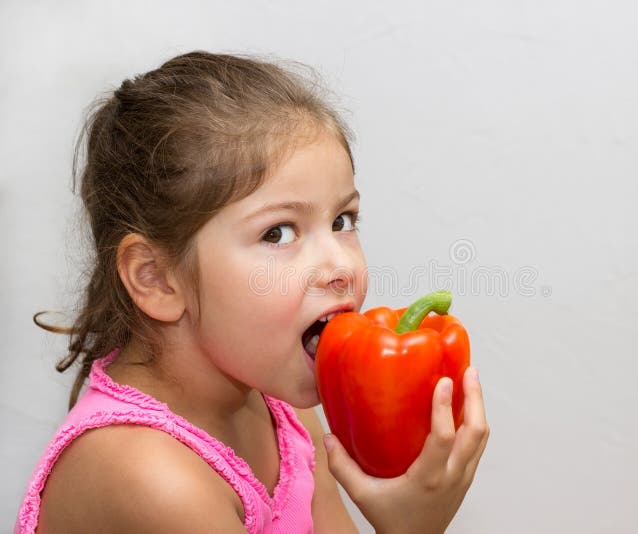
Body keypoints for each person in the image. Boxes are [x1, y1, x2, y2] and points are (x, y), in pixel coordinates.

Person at [15, 51, 489, 533]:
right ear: (156, 278)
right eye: (278, 233)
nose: (341, 266)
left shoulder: (288, 414)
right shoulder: (149, 475)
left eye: (342, 221)